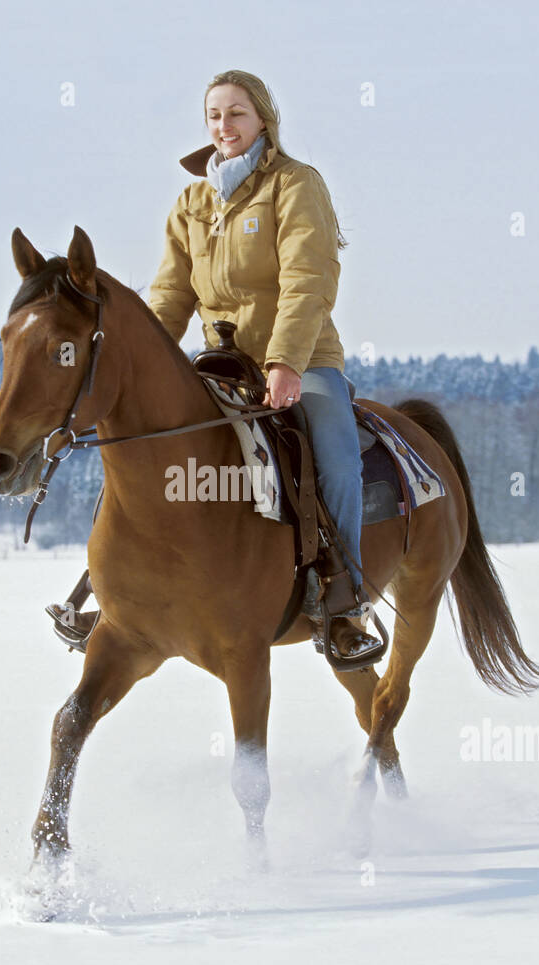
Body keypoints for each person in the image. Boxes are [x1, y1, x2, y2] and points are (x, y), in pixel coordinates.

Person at [46, 69, 380, 663]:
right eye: (214, 116)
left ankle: (346, 599)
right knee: (140, 448)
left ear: (263, 121)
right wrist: (136, 365)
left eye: (236, 114)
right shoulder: (192, 204)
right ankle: (105, 588)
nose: (224, 126)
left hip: (301, 361)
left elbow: (309, 280)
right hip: (220, 365)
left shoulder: (294, 185)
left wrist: (286, 363)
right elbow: (170, 297)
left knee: (334, 453)